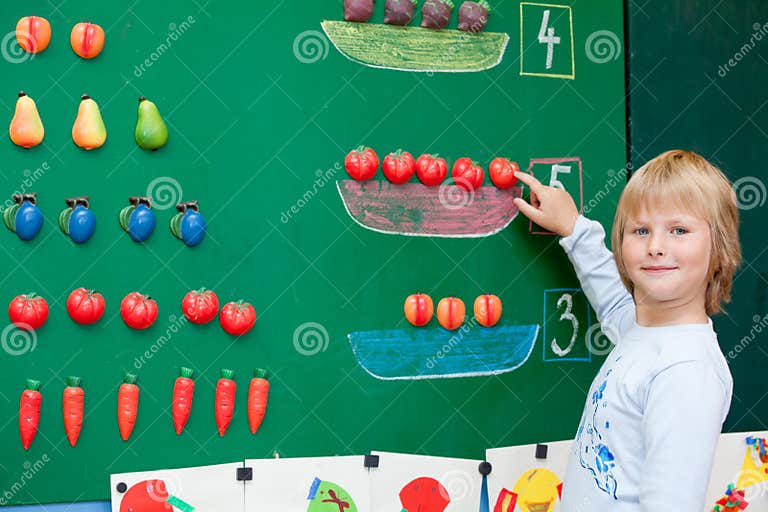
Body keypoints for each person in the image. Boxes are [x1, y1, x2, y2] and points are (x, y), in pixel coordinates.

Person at [512, 149, 742, 510]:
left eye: (679, 230)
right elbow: (615, 303)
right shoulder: (644, 330)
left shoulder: (686, 371)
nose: (656, 247)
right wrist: (573, 228)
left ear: (719, 249)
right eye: (641, 230)